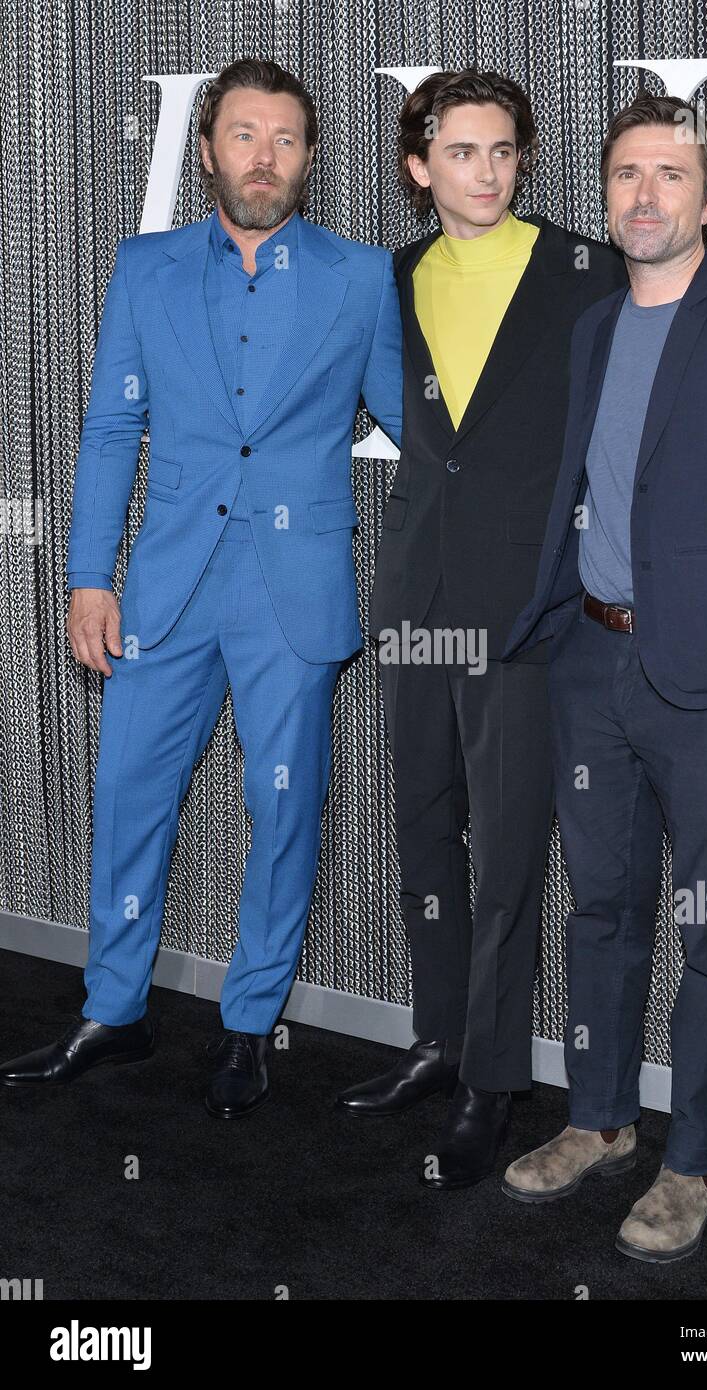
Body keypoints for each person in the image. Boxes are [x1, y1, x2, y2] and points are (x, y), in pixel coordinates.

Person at [336, 70, 707, 1190]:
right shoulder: (389, 277)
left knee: (513, 857)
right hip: (415, 602)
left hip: (527, 613)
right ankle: (436, 1039)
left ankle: (494, 1078)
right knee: (425, 834)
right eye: (460, 152)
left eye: (501, 151)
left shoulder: (583, 266)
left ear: (521, 161)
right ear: (418, 169)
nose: (484, 171)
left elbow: (687, 300)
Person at [0, 58, 402, 1118]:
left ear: (308, 159)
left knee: (284, 815)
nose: (260, 157)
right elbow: (110, 428)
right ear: (208, 147)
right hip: (164, 587)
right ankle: (113, 1010)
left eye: (281, 139)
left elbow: (429, 428)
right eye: (241, 134)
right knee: (130, 799)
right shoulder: (145, 267)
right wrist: (89, 577)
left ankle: (245, 1022)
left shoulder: (361, 279)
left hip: (293, 591)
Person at [499, 93, 707, 1258]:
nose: (642, 196)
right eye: (623, 176)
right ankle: (598, 1121)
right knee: (599, 912)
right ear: (603, 194)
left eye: (667, 176)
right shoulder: (595, 326)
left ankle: (695, 1157)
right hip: (589, 660)